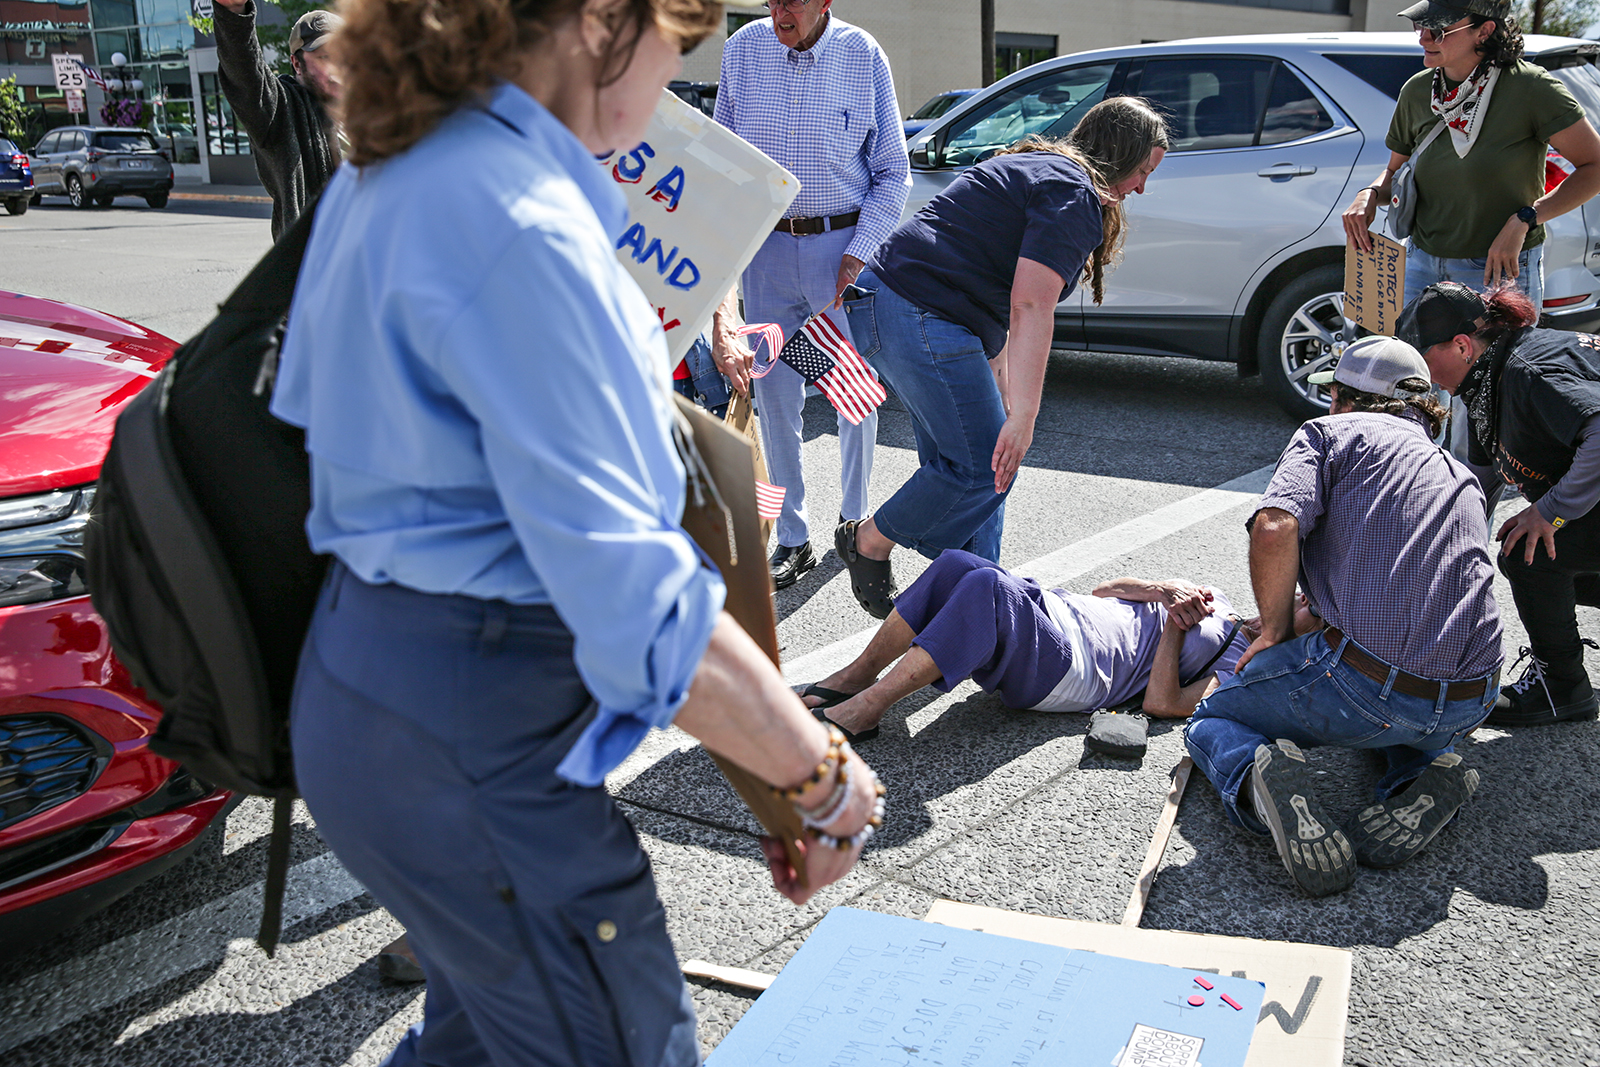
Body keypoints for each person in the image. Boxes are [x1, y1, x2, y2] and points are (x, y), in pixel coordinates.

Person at [270, 2, 886, 1063]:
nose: (670, 89)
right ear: (598, 26)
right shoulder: (519, 216)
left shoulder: (399, 171)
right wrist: (815, 771)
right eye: (672, 47)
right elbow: (629, 592)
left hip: (366, 687)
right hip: (477, 725)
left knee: (475, 1041)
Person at [1184, 336, 1502, 898]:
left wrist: (1277, 629)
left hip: (1369, 690)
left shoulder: (1328, 435)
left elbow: (1275, 526)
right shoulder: (1461, 475)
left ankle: (1259, 785)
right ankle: (1426, 770)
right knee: (1399, 717)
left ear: (1341, 397)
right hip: (1471, 699)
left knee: (1213, 718)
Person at [835, 97, 1167, 617]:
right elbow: (1031, 303)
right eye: (1143, 170)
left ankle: (979, 607)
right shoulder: (1073, 192)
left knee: (985, 467)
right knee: (981, 468)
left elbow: (986, 275)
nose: (1142, 187)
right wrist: (1026, 415)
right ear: (1120, 154)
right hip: (917, 311)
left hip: (903, 307)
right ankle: (869, 542)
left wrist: (1004, 386)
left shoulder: (1041, 167)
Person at [711, 0, 909, 590]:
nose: (779, 11)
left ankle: (853, 524)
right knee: (773, 397)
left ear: (825, 2)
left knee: (852, 395)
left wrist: (861, 249)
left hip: (838, 251)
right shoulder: (744, 49)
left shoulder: (860, 54)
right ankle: (793, 538)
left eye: (792, 0)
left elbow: (892, 170)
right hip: (767, 253)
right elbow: (722, 158)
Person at [793, 549, 1299, 742]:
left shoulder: (1248, 665)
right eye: (1298, 589)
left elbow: (1163, 704)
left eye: (1306, 606)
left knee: (986, 589)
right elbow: (1106, 591)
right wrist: (1158, 590)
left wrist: (1173, 629)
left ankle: (866, 710)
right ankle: (856, 676)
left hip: (1078, 667)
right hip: (1064, 612)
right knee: (958, 564)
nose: (1295, 595)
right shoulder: (1225, 601)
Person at [1400, 280, 1600, 726]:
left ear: (1461, 344)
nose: (1420, 375)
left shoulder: (1529, 372)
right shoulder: (1484, 382)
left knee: (1528, 551)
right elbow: (1478, 484)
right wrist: (1427, 552)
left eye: (1422, 357)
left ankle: (1562, 688)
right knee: (1538, 553)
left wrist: (1549, 510)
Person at [212, 0, 344, 239]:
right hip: (318, 263)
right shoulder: (282, 110)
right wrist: (233, 11)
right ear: (297, 63)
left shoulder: (368, 112)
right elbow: (247, 77)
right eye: (325, 57)